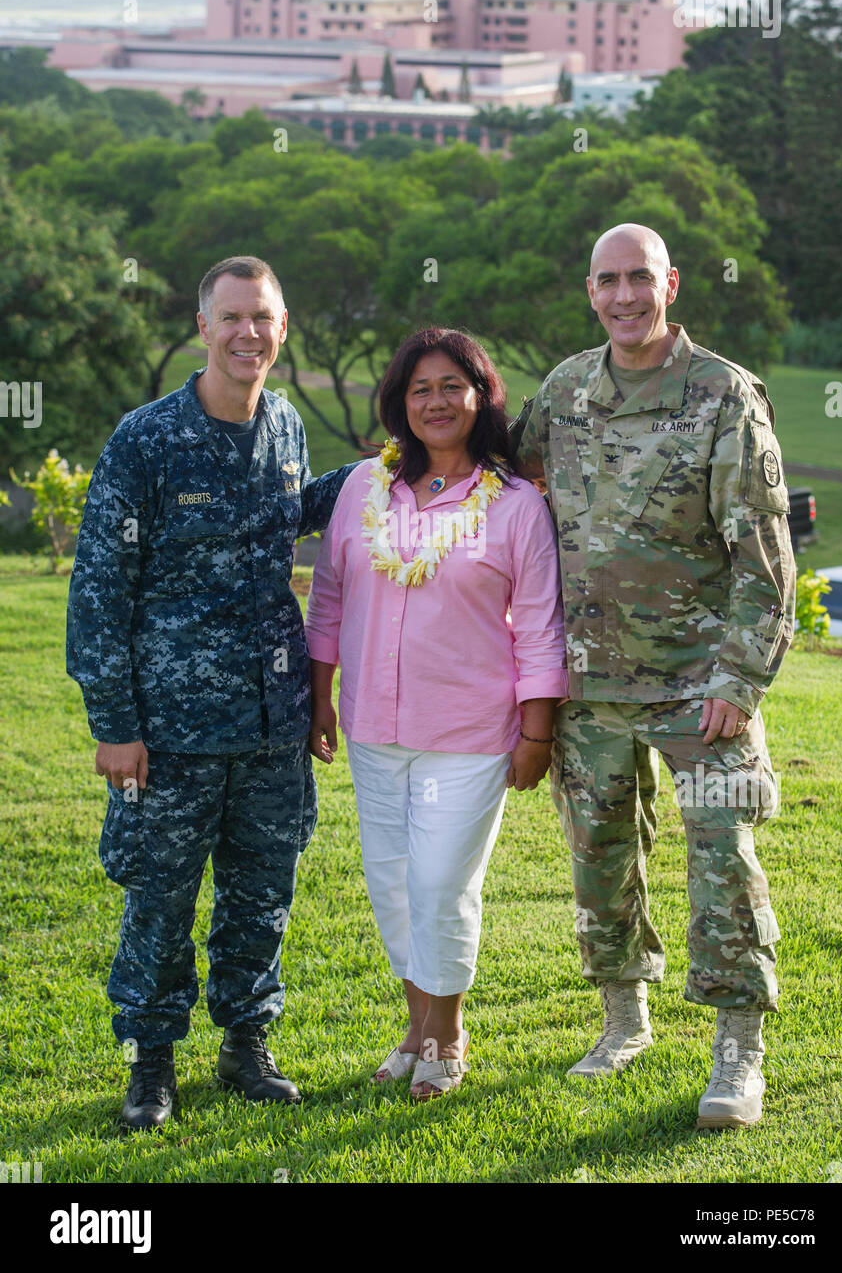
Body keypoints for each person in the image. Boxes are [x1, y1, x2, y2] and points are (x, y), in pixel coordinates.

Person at [516, 223, 796, 1128]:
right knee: (599, 859)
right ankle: (622, 1018)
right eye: (608, 281)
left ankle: (737, 1050)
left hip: (698, 683)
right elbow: (505, 493)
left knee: (722, 857)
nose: (625, 296)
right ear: (589, 290)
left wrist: (739, 681)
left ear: (670, 283)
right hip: (588, 680)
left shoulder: (722, 393)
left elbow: (763, 553)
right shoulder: (564, 390)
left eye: (641, 278)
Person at [66, 255, 355, 1129]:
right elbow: (97, 592)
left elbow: (280, 516)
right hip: (170, 730)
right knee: (159, 897)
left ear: (282, 327)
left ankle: (245, 1044)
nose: (247, 333)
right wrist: (116, 727)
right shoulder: (145, 439)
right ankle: (151, 1064)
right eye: (231, 317)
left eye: (262, 318)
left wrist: (383, 472)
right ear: (203, 327)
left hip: (271, 725)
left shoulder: (286, 425)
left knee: (261, 894)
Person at [304, 327, 568, 1101]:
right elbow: (327, 599)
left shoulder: (515, 505)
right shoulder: (362, 487)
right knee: (390, 883)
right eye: (419, 388)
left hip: (468, 734)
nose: (435, 401)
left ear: (481, 395)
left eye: (451, 385)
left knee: (441, 882)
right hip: (372, 728)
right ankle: (413, 1026)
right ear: (399, 403)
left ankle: (446, 1033)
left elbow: (542, 625)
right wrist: (320, 696)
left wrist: (537, 733)